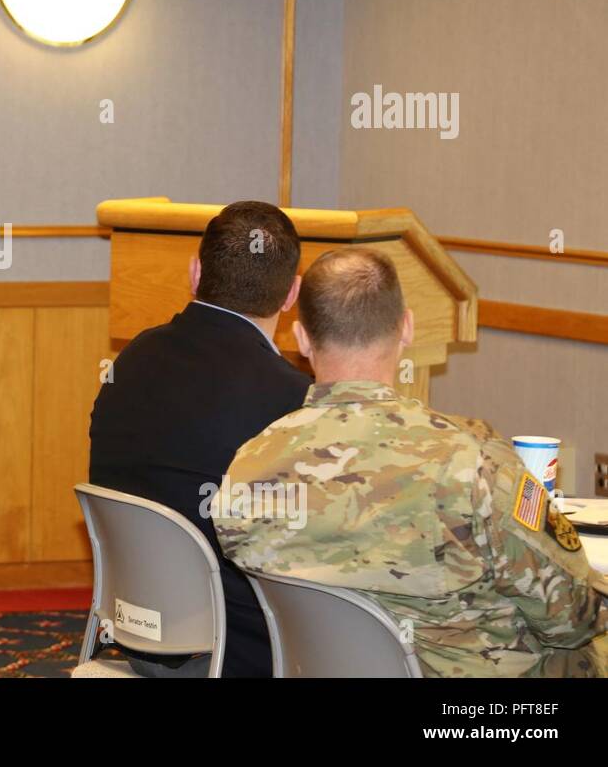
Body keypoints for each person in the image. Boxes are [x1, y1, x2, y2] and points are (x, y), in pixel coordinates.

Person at [214, 247, 608, 677]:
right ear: (406, 327)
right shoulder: (474, 460)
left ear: (302, 338)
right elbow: (574, 618)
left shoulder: (248, 469)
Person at [88, 200, 310, 677]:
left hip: (132, 632)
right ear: (292, 294)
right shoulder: (292, 399)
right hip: (238, 652)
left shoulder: (131, 360)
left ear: (195, 273)